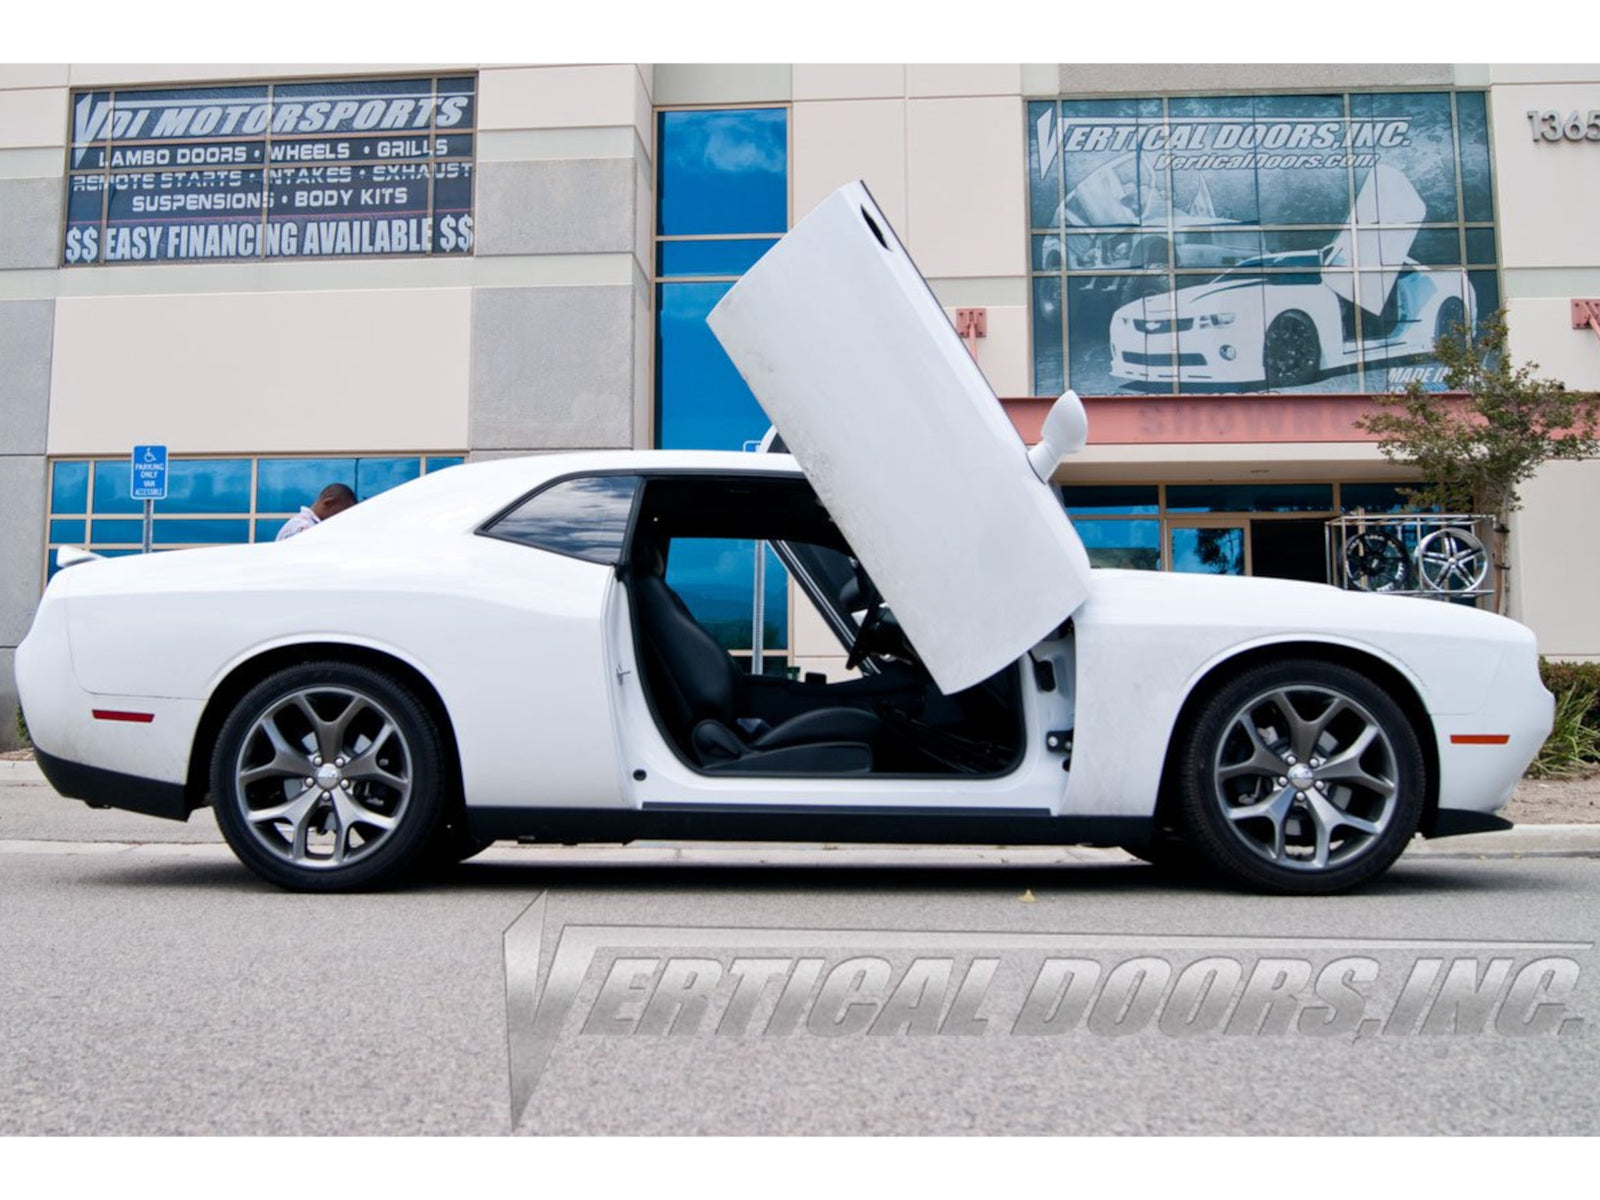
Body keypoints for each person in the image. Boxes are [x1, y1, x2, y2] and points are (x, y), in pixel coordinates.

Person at [275, 483, 356, 541]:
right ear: (328, 503)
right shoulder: (305, 528)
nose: (342, 520)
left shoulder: (301, 523)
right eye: (341, 513)